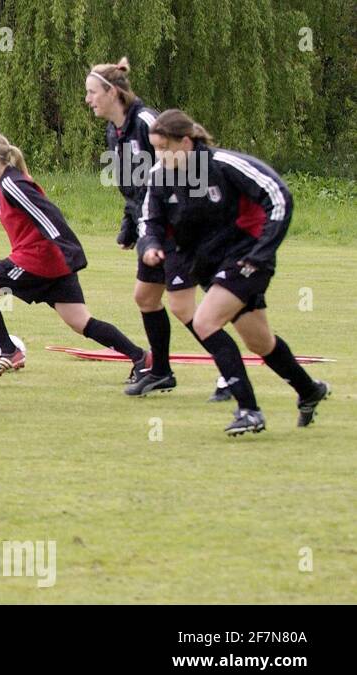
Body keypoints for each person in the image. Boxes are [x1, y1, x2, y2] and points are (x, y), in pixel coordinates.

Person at [138, 109, 330, 435]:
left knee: (205, 322)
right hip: (212, 266)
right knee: (260, 342)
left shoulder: (224, 165)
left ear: (186, 142)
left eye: (165, 147)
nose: (159, 155)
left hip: (247, 259)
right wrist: (150, 246)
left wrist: (261, 251)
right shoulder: (160, 175)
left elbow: (277, 195)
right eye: (155, 148)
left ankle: (248, 409)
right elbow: (149, 220)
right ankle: (309, 389)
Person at [86, 58, 230, 399]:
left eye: (92, 92)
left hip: (174, 226)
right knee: (146, 297)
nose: (88, 100)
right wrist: (130, 223)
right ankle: (162, 371)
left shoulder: (146, 121)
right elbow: (135, 185)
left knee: (181, 305)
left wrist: (191, 214)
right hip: (150, 224)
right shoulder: (113, 131)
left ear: (113, 92)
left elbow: (185, 158)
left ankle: (229, 372)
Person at [0, 131, 148, 379]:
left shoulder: (13, 183)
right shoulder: (1, 187)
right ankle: (141, 358)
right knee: (80, 322)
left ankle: (9, 351)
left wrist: (72, 251)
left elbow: (48, 215)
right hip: (53, 265)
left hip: (35, 259)